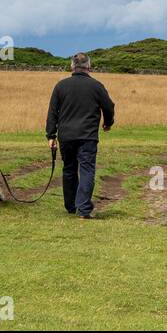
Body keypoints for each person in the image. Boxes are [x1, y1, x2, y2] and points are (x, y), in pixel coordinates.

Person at [45, 53, 115, 219]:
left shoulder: (60, 86)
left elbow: (52, 113)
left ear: (72, 67)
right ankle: (83, 209)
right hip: (87, 136)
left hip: (66, 136)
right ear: (89, 67)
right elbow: (109, 106)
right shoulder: (96, 86)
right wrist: (108, 123)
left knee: (69, 168)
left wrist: (51, 135)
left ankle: (71, 206)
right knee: (86, 170)